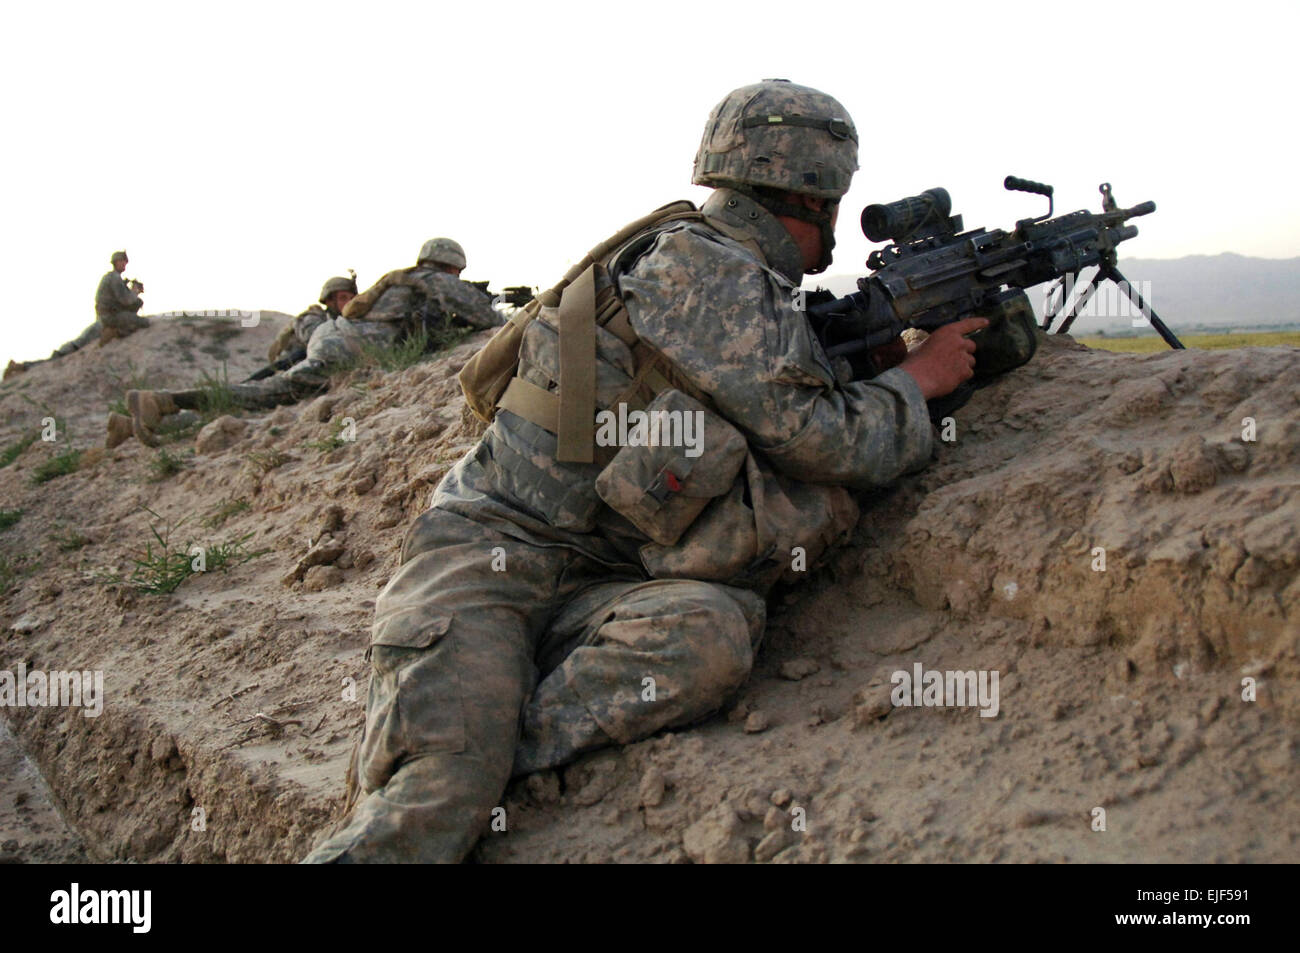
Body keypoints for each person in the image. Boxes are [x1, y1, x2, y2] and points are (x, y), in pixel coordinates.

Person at [303, 79, 987, 864]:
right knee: (435, 797)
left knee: (715, 631)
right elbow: (824, 441)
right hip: (488, 554)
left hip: (609, 575)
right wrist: (920, 382)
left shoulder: (739, 281)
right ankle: (459, 754)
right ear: (816, 192)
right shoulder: (705, 267)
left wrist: (877, 366)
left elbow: (761, 405)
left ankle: (482, 732)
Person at [111, 244, 496, 447]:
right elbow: (486, 320)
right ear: (449, 266)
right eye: (456, 273)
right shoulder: (432, 278)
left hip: (337, 339)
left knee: (267, 397)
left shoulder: (404, 281)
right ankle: (165, 400)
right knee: (270, 391)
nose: (456, 278)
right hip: (347, 349)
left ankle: (156, 417)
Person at [4, 251, 148, 380]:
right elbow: (126, 300)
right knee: (143, 323)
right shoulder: (114, 278)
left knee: (71, 348)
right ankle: (114, 332)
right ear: (116, 262)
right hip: (109, 320)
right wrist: (134, 292)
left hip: (104, 320)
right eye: (122, 261)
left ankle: (22, 367)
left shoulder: (112, 279)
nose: (124, 265)